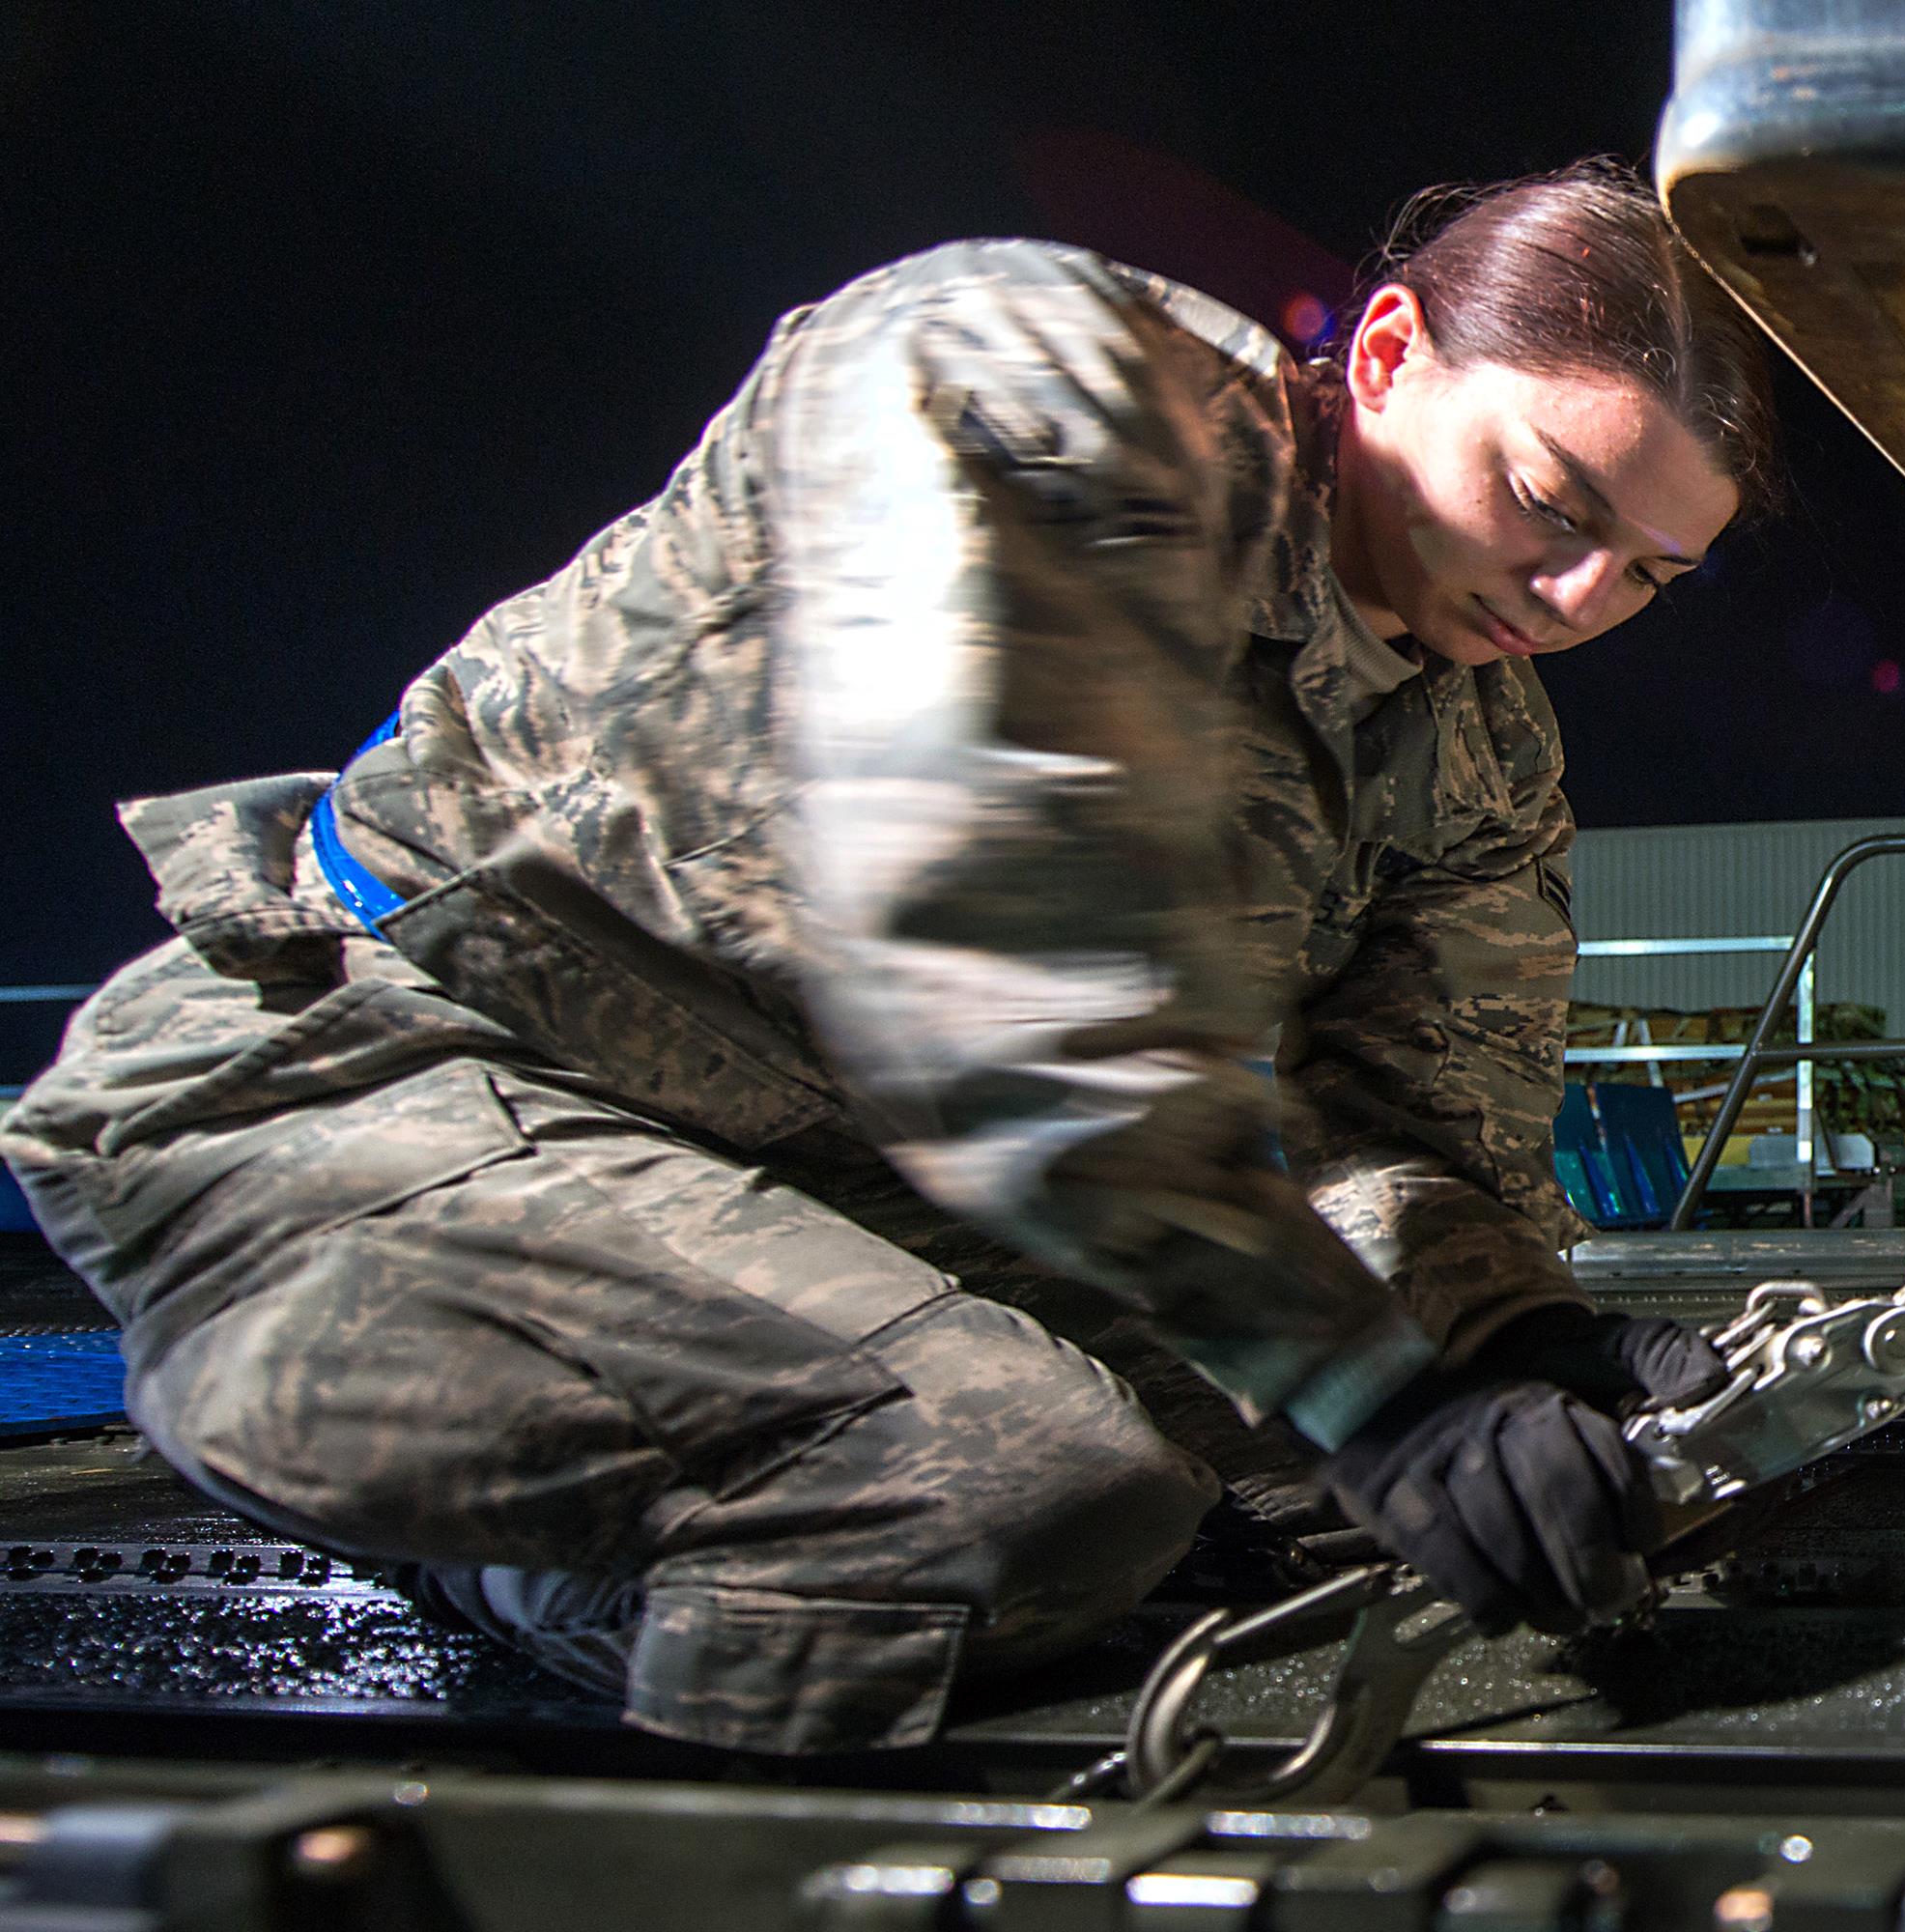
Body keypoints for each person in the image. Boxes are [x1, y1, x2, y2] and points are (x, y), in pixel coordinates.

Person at [0, 161, 1778, 1754]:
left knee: (1285, 1474)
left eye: (1648, 573)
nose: (1573, 604)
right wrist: (1387, 1395)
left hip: (818, 1185)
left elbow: (1396, 1124)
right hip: (404, 1073)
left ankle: (550, 1411)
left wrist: (1528, 1343)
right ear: (1388, 352)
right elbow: (996, 996)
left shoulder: (1479, 742)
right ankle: (348, 1396)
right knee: (1007, 1495)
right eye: (1549, 501)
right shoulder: (1036, 392)